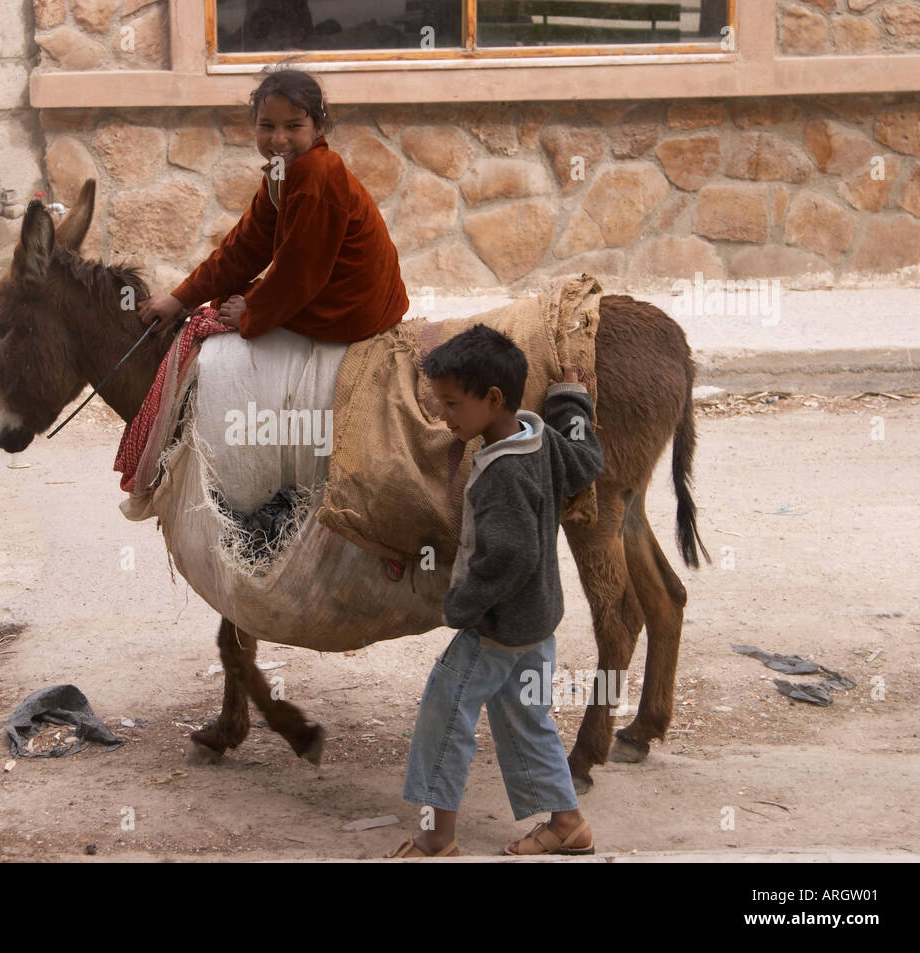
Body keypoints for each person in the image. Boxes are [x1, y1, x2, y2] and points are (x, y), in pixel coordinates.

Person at [386, 325, 605, 858]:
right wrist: (570, 398)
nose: (443, 416)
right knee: (524, 713)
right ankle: (567, 823)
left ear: (493, 398)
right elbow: (585, 459)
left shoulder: (503, 475)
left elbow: (511, 556)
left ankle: (437, 837)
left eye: (452, 404)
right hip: (538, 616)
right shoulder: (539, 438)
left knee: (445, 711)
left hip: (498, 626)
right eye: (438, 403)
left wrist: (461, 605)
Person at [136, 68, 407, 343]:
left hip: (356, 309)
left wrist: (252, 314)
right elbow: (245, 247)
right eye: (267, 126)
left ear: (319, 127)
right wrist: (180, 298)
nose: (278, 139)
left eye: (293, 126)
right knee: (227, 297)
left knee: (234, 304)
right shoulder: (281, 173)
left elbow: (300, 270)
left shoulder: (317, 171)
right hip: (331, 291)